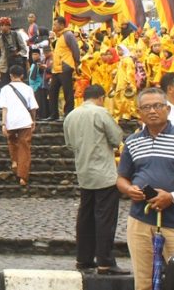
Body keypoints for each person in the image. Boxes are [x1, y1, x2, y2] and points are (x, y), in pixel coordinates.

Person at [117, 87, 174, 290]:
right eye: (146, 107)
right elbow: (121, 177)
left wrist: (173, 196)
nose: (152, 111)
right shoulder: (132, 142)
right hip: (140, 220)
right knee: (143, 282)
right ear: (139, 112)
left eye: (157, 106)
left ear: (167, 108)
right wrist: (129, 189)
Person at [63, 85, 126, 275]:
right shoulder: (101, 112)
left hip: (84, 172)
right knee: (105, 218)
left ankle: (84, 259)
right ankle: (105, 261)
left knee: (85, 217)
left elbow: (69, 144)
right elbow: (116, 138)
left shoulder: (70, 116)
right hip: (104, 174)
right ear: (100, 97)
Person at [0, 65, 38, 186]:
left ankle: (14, 161)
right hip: (25, 121)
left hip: (11, 121)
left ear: (10, 76)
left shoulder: (5, 89)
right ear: (22, 76)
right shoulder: (28, 88)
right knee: (24, 147)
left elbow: (4, 108)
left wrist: (3, 123)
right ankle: (23, 177)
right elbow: (33, 108)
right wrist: (33, 121)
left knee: (12, 141)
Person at [48, 16, 80, 120]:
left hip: (65, 67)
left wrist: (77, 63)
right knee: (52, 92)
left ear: (62, 25)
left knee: (68, 92)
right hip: (56, 69)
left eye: (55, 24)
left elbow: (75, 49)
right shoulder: (58, 36)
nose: (53, 26)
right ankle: (54, 114)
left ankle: (69, 114)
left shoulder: (68, 35)